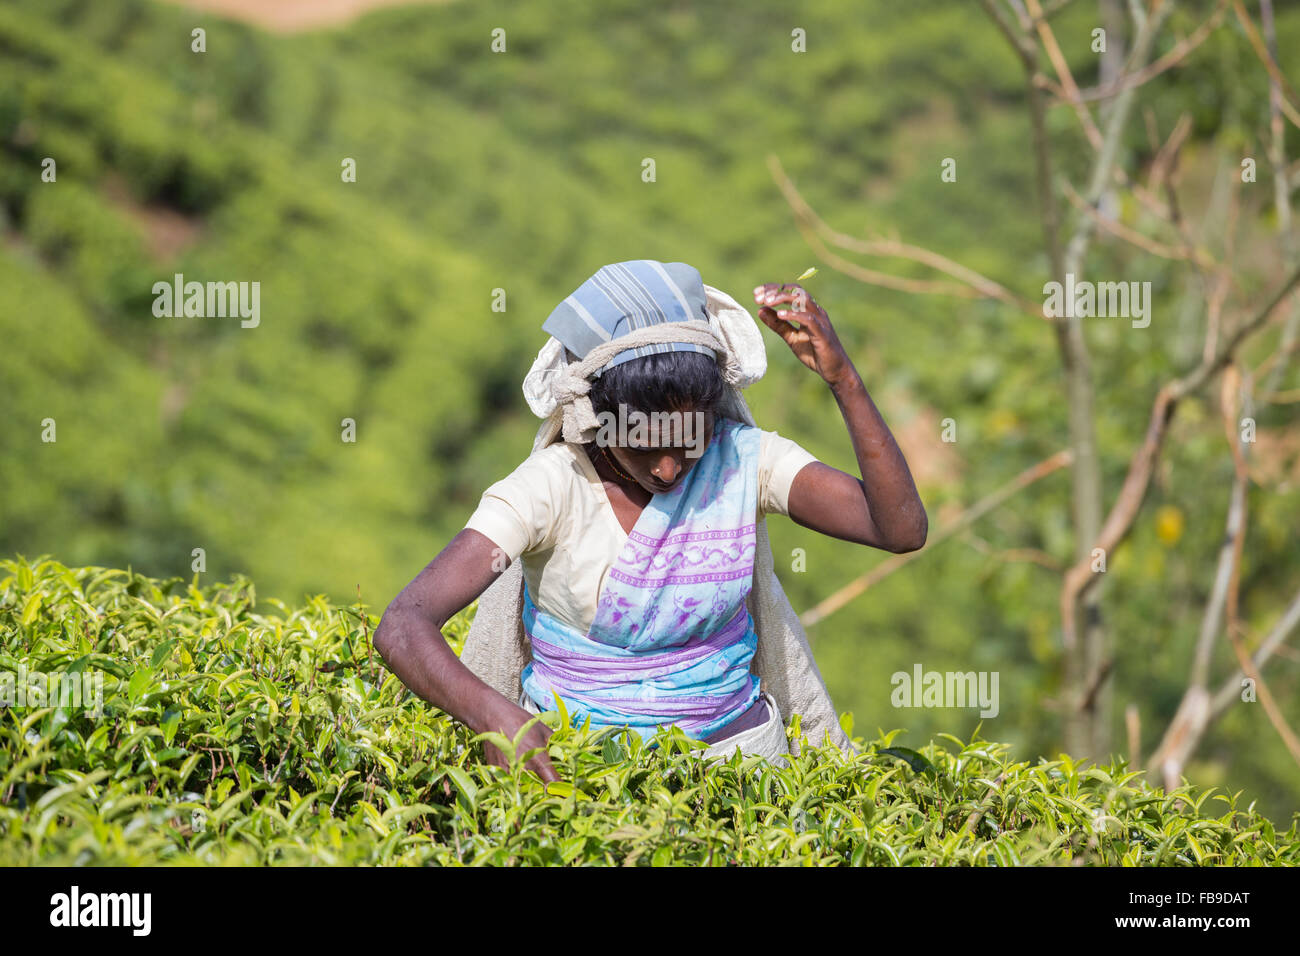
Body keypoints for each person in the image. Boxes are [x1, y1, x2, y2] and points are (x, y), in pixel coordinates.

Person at [373, 260, 927, 786]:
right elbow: (403, 623)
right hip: (575, 773)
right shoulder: (552, 486)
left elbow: (899, 530)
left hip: (742, 771)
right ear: (596, 417)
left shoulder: (742, 461)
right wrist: (494, 714)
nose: (668, 468)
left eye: (689, 440)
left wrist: (843, 381)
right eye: (643, 447)